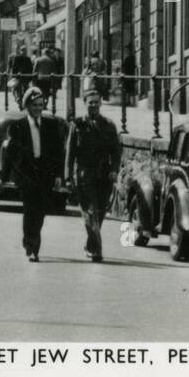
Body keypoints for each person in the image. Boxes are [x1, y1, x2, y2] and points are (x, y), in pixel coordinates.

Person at [5, 86, 65, 262]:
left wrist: (59, 175)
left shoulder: (51, 126)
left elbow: (57, 153)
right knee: (30, 209)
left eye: (40, 105)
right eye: (34, 105)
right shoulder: (18, 127)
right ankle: (31, 246)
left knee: (40, 212)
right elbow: (10, 153)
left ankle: (33, 240)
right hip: (27, 174)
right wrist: (4, 176)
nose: (38, 108)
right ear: (27, 106)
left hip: (45, 174)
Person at [66, 89, 122, 262]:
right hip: (84, 174)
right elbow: (70, 153)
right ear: (85, 103)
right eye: (90, 102)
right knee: (90, 211)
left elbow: (116, 151)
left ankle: (90, 244)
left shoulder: (109, 125)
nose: (94, 105)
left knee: (100, 211)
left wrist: (114, 169)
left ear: (101, 104)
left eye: (96, 102)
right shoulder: (77, 125)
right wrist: (68, 177)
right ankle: (97, 250)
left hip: (104, 175)